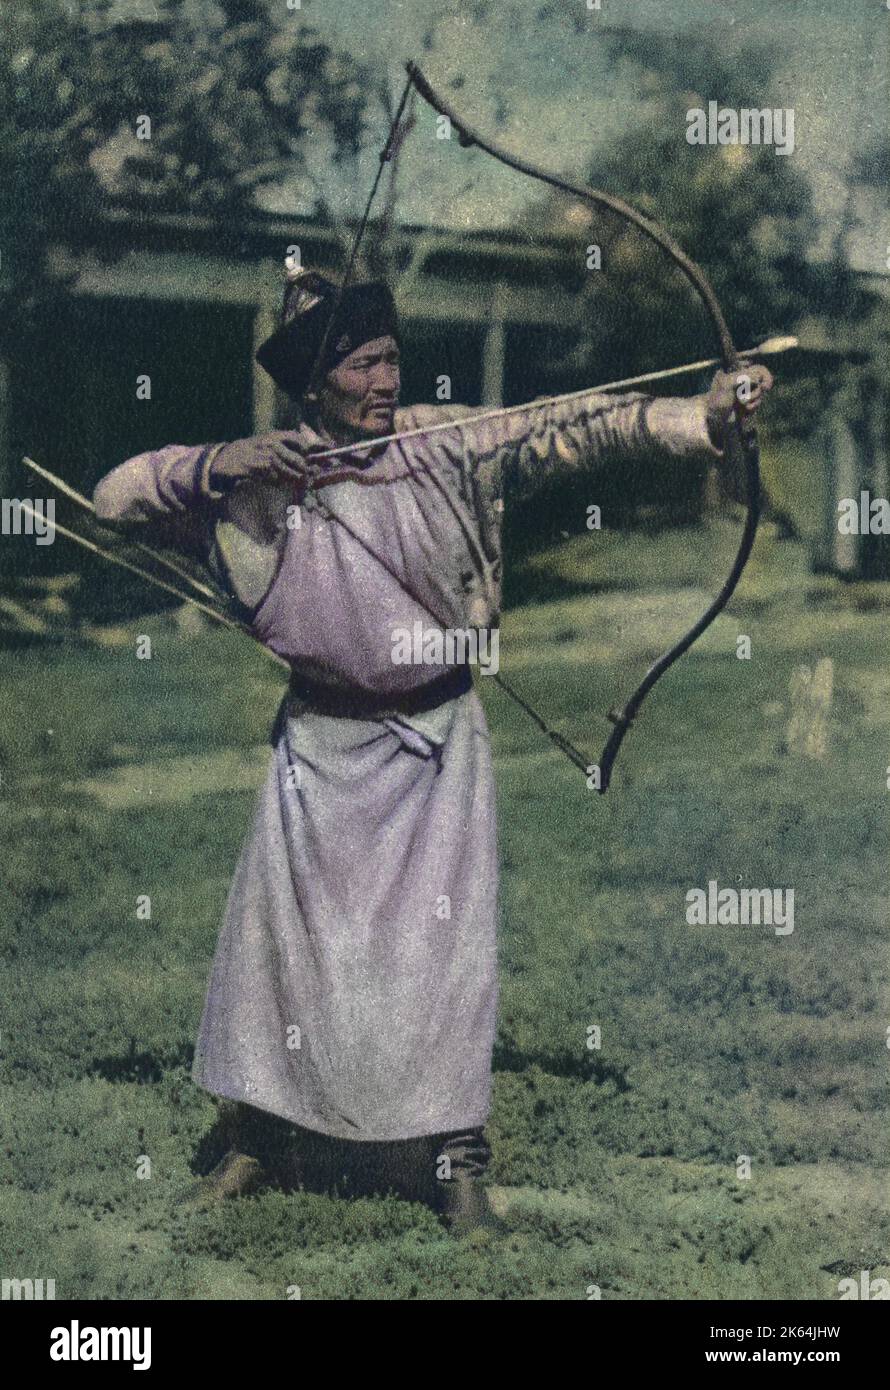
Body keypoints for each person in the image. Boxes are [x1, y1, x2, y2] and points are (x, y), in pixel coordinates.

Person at [93, 266, 773, 1234]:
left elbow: (577, 425)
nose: (380, 380)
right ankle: (259, 1137)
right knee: (281, 951)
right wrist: (225, 463)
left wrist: (704, 413)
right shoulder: (251, 478)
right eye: (360, 363)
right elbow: (110, 497)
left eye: (390, 359)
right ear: (311, 383)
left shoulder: (443, 444)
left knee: (438, 955)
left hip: (437, 737)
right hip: (318, 741)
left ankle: (453, 1160)